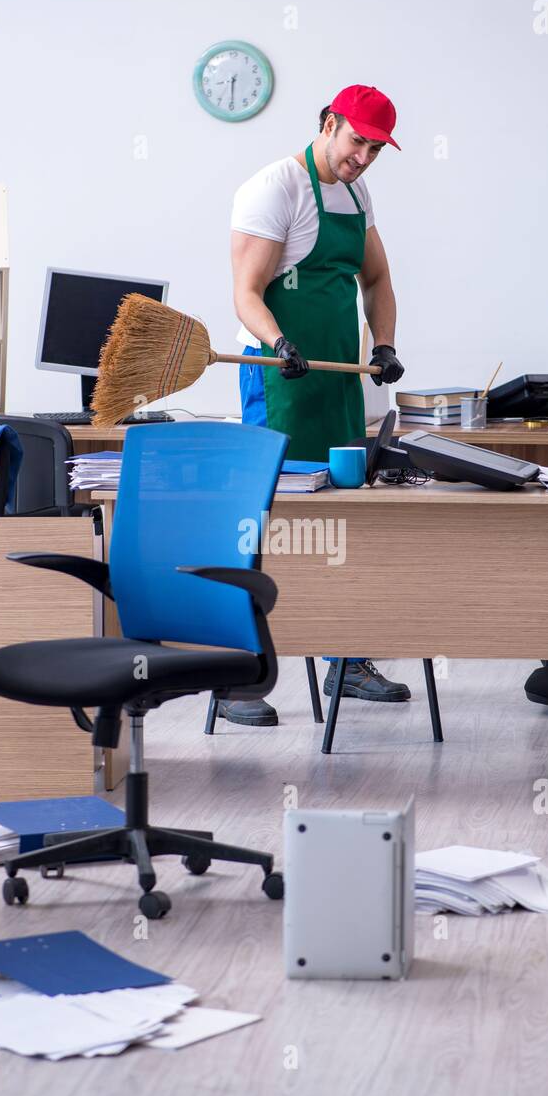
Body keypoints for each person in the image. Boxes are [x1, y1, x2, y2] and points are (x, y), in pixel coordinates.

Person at [222, 84, 410, 726]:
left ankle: (346, 661)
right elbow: (246, 293)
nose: (362, 156)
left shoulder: (357, 194)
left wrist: (383, 345)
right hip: (277, 378)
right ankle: (235, 677)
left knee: (344, 522)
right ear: (329, 124)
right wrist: (278, 342)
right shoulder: (276, 188)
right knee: (264, 526)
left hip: (335, 380)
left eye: (376, 148)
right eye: (356, 140)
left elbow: (378, 278)